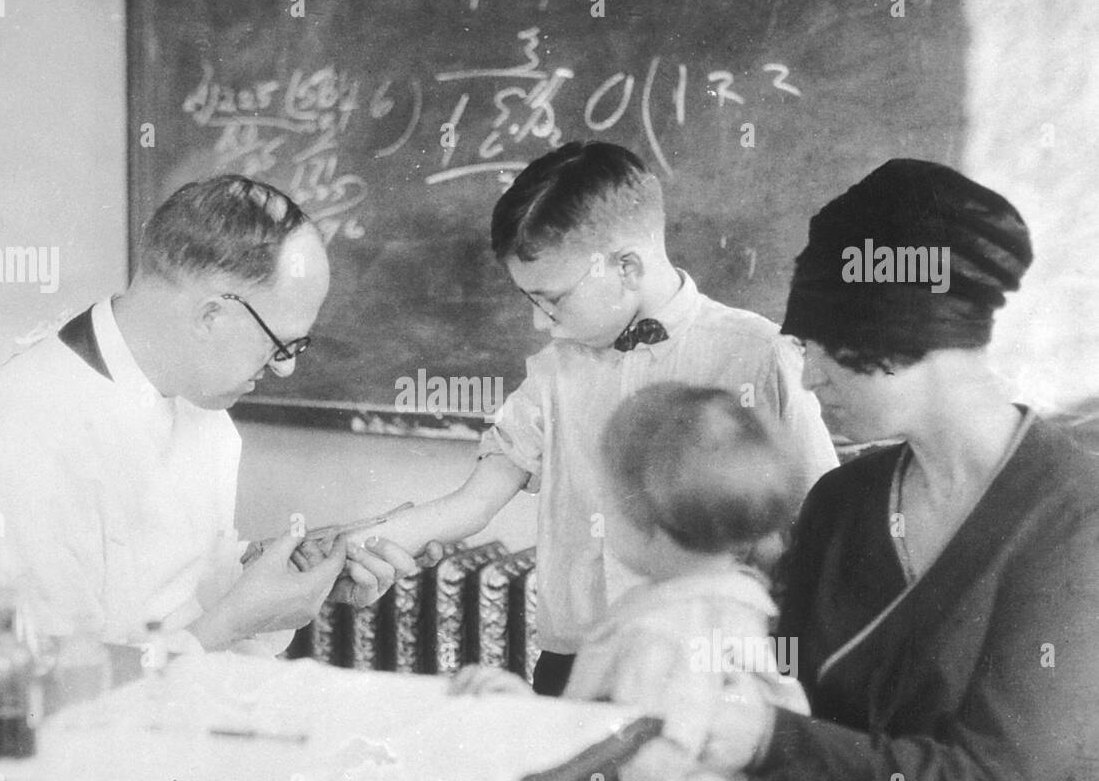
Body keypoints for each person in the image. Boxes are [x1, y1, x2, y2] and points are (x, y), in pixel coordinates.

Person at [314, 141, 837, 694]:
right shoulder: (553, 371)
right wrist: (360, 543)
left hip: (703, 662)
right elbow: (472, 503)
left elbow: (820, 518)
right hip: (575, 661)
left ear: (627, 266)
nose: (542, 325)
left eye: (552, 300)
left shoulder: (757, 353)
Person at [697, 158, 1099, 781]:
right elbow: (792, 696)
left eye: (822, 348)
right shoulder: (841, 503)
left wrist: (770, 735)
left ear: (902, 334)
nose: (809, 381)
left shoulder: (1076, 518)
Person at [0, 175, 418, 655]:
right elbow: (39, 684)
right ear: (211, 316)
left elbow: (174, 585)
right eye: (281, 344)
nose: (286, 369)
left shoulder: (196, 398)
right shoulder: (22, 440)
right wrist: (228, 626)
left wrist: (284, 582)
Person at [454, 382, 811, 781]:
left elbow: (652, 758)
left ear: (648, 521)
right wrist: (537, 715)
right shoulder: (731, 598)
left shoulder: (666, 631)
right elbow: (608, 725)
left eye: (609, 496)